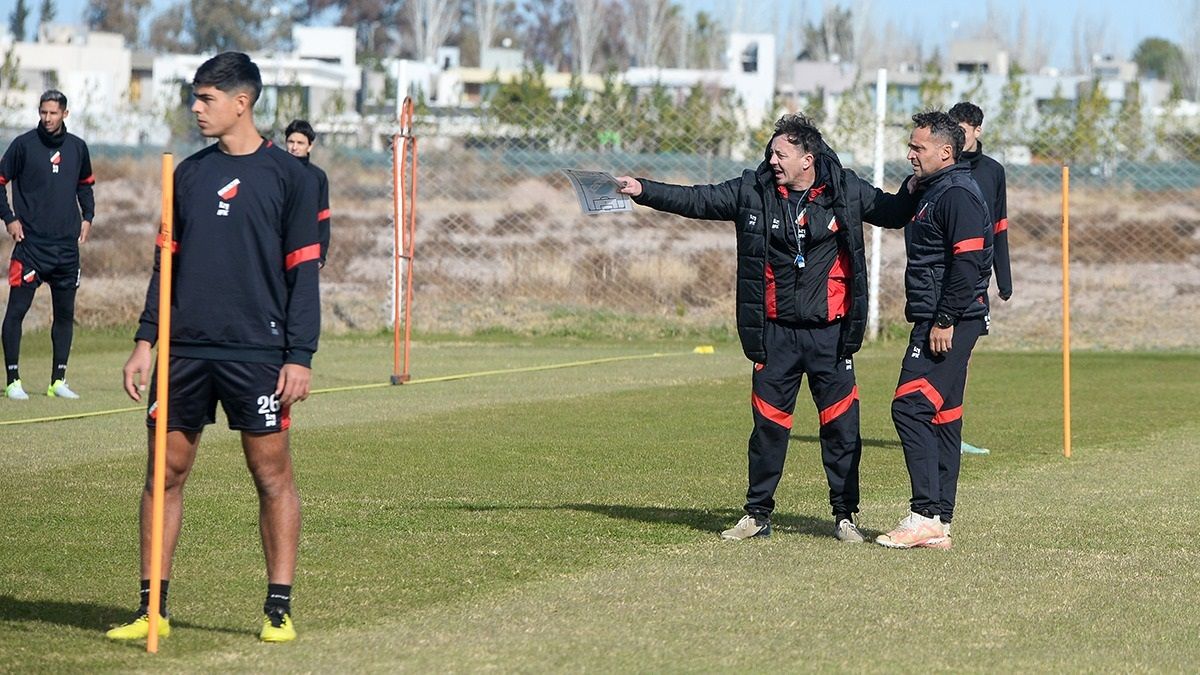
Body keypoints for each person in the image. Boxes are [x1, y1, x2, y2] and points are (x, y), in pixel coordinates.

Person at [616, 114, 916, 543]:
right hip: (775, 335)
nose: (772, 160)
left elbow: (893, 213)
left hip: (830, 336)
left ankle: (844, 516)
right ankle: (757, 514)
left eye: (782, 153)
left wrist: (918, 183)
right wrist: (643, 190)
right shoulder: (751, 191)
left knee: (841, 427)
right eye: (771, 152)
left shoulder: (845, 190)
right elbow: (697, 200)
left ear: (807, 159)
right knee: (769, 428)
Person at [107, 52, 320, 643]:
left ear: (241, 102)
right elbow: (163, 264)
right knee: (164, 472)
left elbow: (304, 274)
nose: (196, 109)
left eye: (205, 99)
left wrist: (299, 355)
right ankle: (153, 608)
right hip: (184, 352)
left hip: (258, 352)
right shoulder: (188, 174)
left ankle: (277, 607)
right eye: (194, 98)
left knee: (271, 473)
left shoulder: (293, 178)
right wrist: (145, 340)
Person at [875, 110, 993, 551]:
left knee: (909, 409)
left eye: (918, 148)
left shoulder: (958, 193)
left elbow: (967, 263)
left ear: (946, 152)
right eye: (910, 146)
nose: (910, 154)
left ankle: (923, 514)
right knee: (943, 418)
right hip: (941, 315)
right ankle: (939, 521)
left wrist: (944, 319)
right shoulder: (934, 189)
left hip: (950, 319)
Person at [0, 90, 95, 400]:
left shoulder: (78, 148)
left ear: (64, 114)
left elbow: (85, 185)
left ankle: (58, 381)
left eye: (53, 113)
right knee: (16, 312)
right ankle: (13, 380)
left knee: (65, 315)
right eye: (42, 112)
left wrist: (88, 217)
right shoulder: (23, 145)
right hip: (31, 247)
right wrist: (9, 218)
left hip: (67, 249)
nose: (47, 118)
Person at [948, 101, 1012, 456]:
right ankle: (938, 428)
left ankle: (951, 431)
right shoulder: (943, 168)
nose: (959, 135)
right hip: (946, 275)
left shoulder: (992, 172)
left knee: (962, 356)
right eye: (953, 128)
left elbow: (999, 226)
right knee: (941, 350)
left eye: (965, 129)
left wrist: (1004, 277)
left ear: (977, 130)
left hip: (976, 277)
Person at [284, 119, 331, 267]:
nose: (294, 147)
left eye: (300, 143)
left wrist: (320, 255)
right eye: (291, 142)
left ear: (310, 146)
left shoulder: (317, 177)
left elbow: (322, 216)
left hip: (305, 250)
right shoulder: (276, 172)